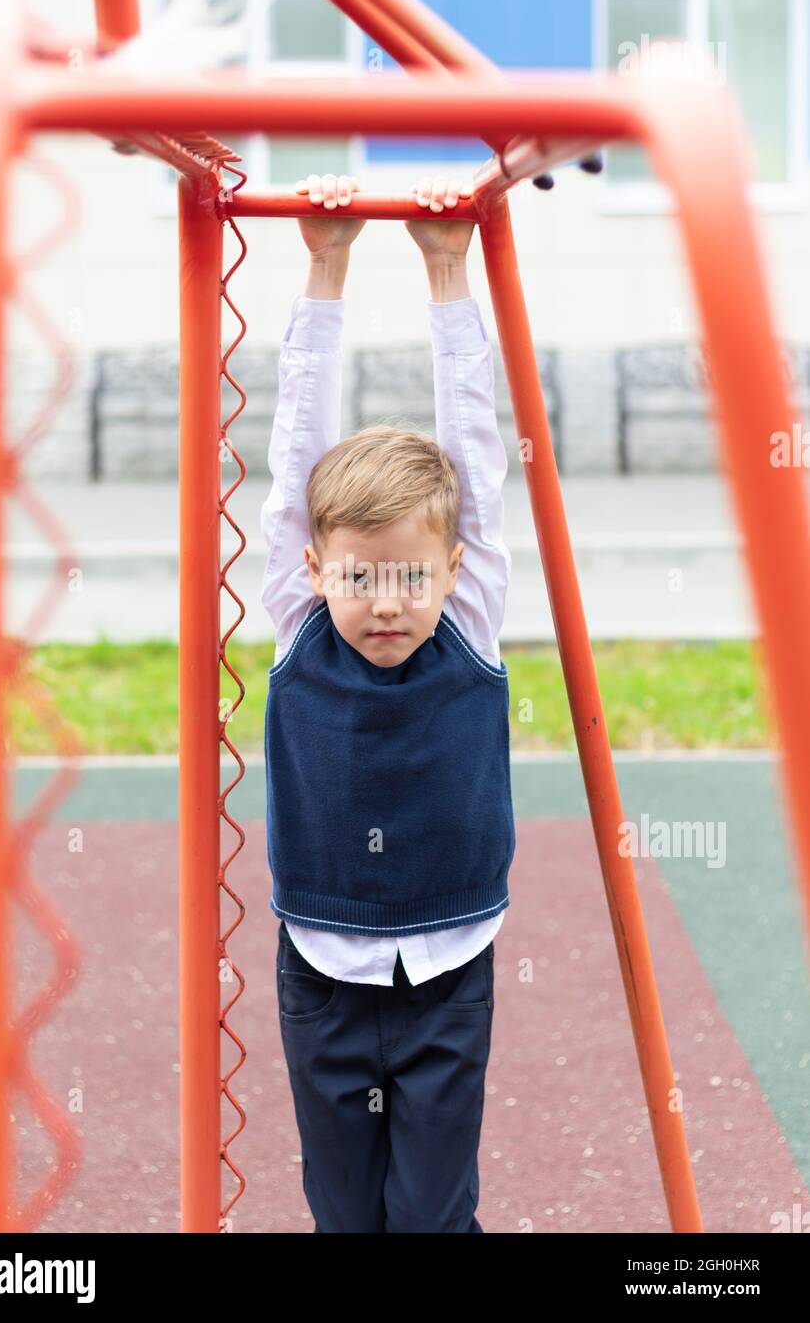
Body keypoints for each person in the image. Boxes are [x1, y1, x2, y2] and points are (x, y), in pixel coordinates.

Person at [260, 171, 516, 1233]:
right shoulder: (297, 617)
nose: (383, 601)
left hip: (446, 971)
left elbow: (476, 458)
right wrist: (324, 268)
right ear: (317, 569)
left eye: (409, 574)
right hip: (320, 969)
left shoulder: (466, 617)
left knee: (429, 1212)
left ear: (451, 568)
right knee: (341, 1211)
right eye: (358, 575)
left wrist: (447, 272)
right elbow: (290, 466)